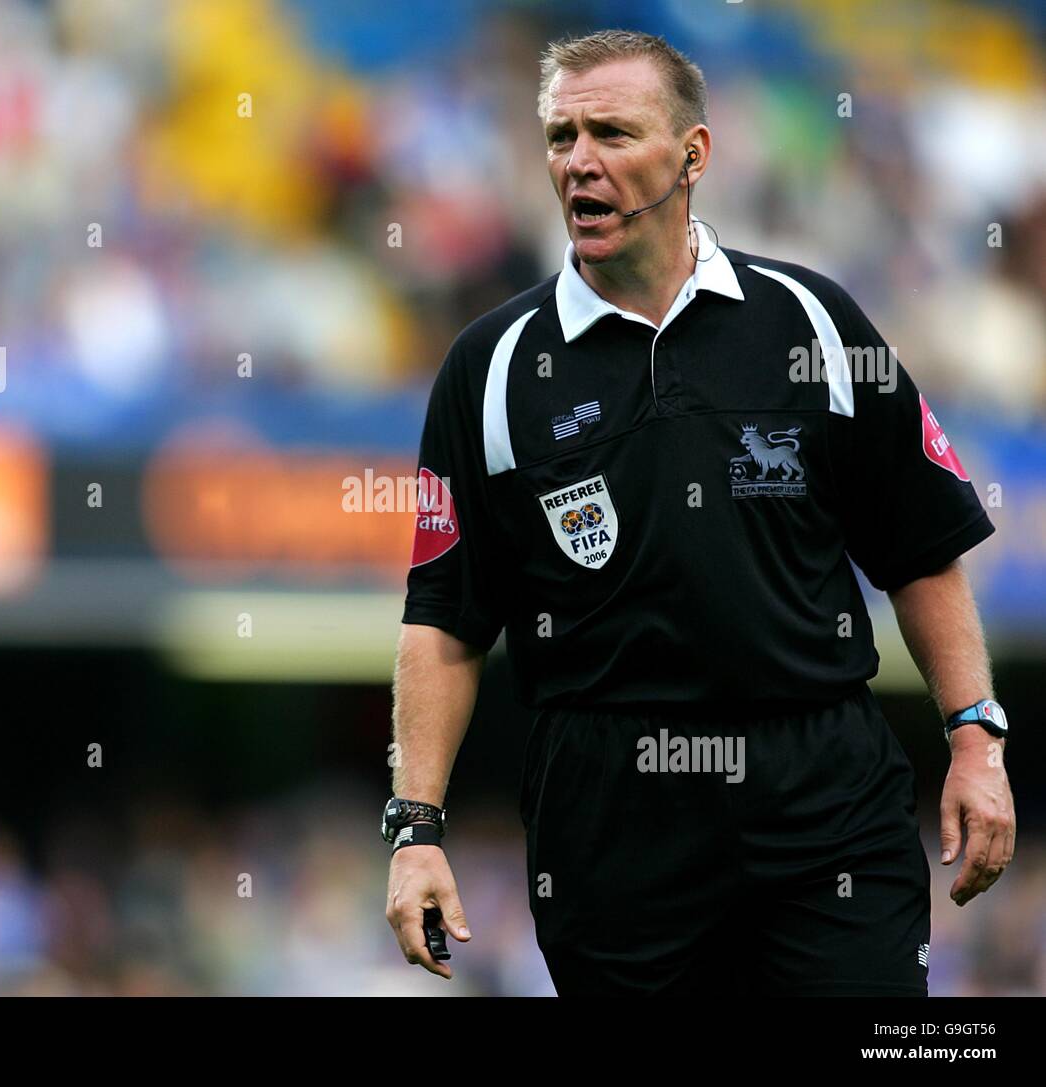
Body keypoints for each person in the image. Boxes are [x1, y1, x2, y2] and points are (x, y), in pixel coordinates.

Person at [382, 28, 1015, 996]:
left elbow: (920, 548)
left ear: (693, 155)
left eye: (610, 132)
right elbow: (445, 619)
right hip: (609, 811)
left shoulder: (811, 321)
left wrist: (973, 739)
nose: (578, 162)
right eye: (560, 137)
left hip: (821, 793)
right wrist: (415, 827)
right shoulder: (493, 365)